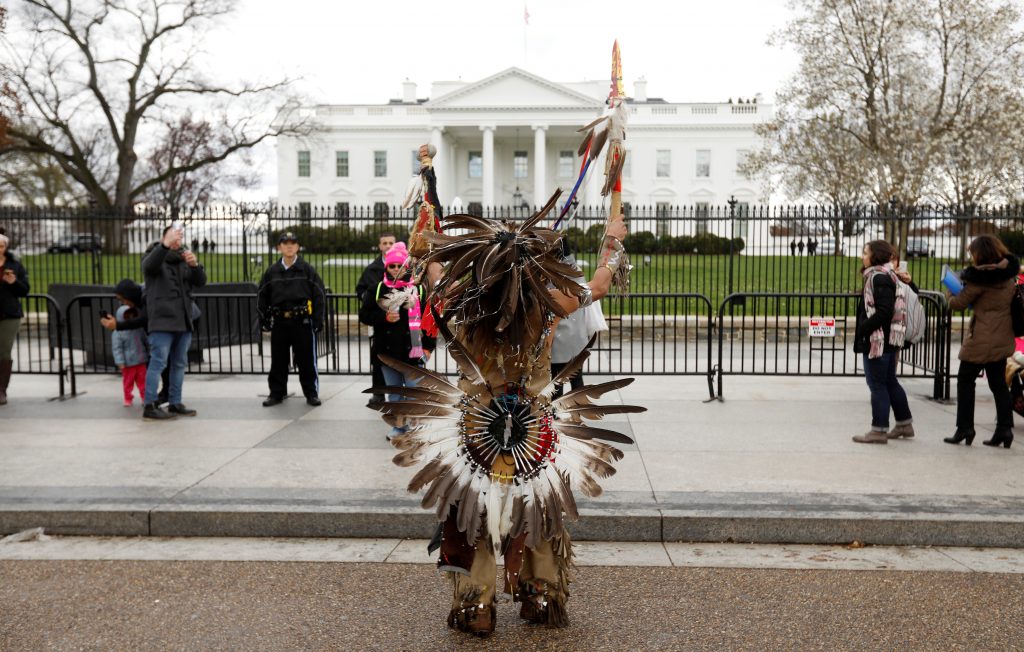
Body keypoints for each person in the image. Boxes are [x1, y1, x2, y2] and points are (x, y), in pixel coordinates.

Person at [944, 234, 1020, 448]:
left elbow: (957, 303)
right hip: (1002, 337)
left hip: (981, 339)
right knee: (999, 385)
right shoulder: (1008, 275)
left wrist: (951, 290)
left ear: (980, 254)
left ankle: (965, 428)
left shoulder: (980, 280)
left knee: (965, 381)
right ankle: (1004, 430)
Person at [358, 241, 435, 439]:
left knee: (413, 393)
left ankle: (415, 427)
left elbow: (429, 321)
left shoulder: (417, 290)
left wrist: (428, 348)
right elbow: (364, 315)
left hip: (413, 351)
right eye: (391, 266)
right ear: (386, 267)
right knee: (394, 394)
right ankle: (399, 427)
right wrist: (383, 318)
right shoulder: (377, 289)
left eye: (399, 266)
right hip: (387, 351)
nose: (395, 270)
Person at [141, 223, 206, 420]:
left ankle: (175, 402)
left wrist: (195, 266)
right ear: (164, 237)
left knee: (179, 363)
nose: (178, 240)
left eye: (179, 236)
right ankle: (150, 405)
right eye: (173, 236)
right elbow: (149, 267)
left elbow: (201, 281)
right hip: (162, 320)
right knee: (158, 362)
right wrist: (165, 246)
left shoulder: (184, 258)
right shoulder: (154, 255)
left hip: (183, 319)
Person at [851, 240, 914, 444]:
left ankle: (879, 430)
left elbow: (884, 312)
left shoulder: (878, 278)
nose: (862, 256)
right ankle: (904, 424)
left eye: (865, 252)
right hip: (889, 340)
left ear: (875, 255)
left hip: (879, 340)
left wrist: (863, 329)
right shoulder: (888, 276)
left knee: (877, 385)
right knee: (889, 382)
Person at [257, 231, 327, 407]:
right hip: (280, 322)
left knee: (306, 360)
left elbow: (319, 295)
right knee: (278, 360)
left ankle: (311, 393)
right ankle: (276, 394)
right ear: (279, 247)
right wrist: (263, 318)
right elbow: (261, 296)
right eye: (285, 243)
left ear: (298, 247)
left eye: (293, 243)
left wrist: (318, 320)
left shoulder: (307, 270)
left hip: (301, 322)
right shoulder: (272, 271)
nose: (289, 246)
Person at [100, 278, 170, 406]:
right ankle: (154, 396)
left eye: (122, 299)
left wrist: (118, 325)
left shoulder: (146, 296)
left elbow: (144, 320)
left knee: (159, 366)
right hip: (132, 361)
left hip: (144, 356)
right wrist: (120, 361)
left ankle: (152, 399)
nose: (124, 303)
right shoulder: (140, 301)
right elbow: (117, 347)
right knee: (135, 378)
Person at [356, 232, 396, 408]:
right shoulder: (372, 269)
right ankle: (378, 392)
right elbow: (361, 290)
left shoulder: (405, 267)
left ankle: (400, 394)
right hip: (380, 321)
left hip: (400, 322)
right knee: (378, 357)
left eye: (391, 243)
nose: (388, 246)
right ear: (380, 246)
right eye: (385, 243)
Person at [0, 229, 30, 406]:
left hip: (9, 315)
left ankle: (1, 389)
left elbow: (25, 290)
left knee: (4, 351)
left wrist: (14, 282)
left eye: (2, 245)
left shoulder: (15, 265)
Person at [111, 304, 147, 407]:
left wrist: (149, 352)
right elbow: (117, 348)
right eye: (127, 316)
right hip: (128, 363)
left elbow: (146, 340)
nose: (130, 318)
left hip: (140, 360)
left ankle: (145, 397)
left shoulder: (139, 329)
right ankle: (128, 397)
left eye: (132, 315)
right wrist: (120, 362)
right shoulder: (118, 332)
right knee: (128, 382)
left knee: (143, 381)